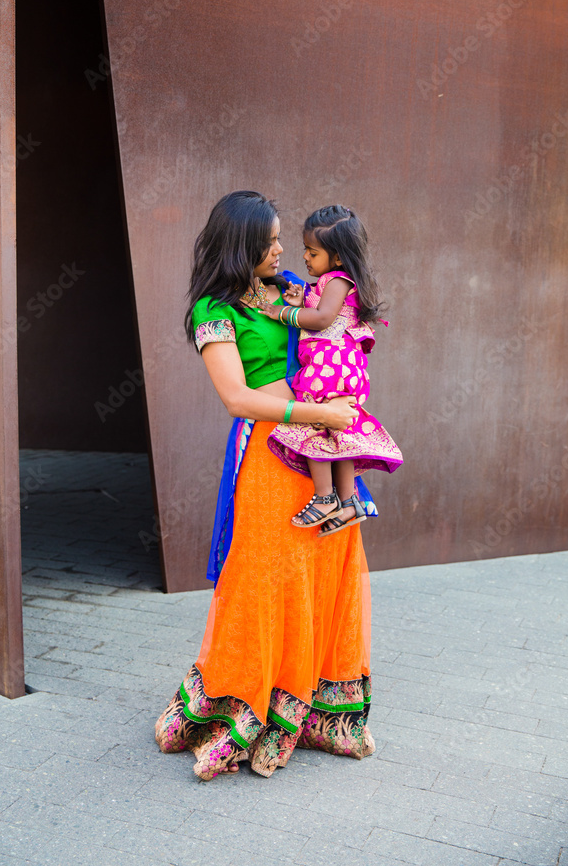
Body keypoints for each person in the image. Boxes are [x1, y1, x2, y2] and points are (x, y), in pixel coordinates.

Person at [155, 190, 376, 780]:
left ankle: (312, 714)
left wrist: (346, 413)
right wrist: (320, 413)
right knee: (263, 583)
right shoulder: (215, 311)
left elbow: (341, 336)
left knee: (326, 573)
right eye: (270, 242)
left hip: (326, 454)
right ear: (241, 247)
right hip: (272, 455)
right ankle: (244, 710)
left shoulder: (294, 291)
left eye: (282, 240)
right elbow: (237, 397)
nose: (282, 251)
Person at [260, 206, 403, 536]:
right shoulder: (331, 282)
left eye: (312, 252)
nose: (305, 258)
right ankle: (349, 500)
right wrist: (301, 302)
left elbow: (323, 319)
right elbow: (322, 313)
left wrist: (281, 313)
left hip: (330, 368)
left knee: (313, 423)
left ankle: (325, 497)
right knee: (336, 432)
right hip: (341, 368)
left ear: (337, 257)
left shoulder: (337, 280)